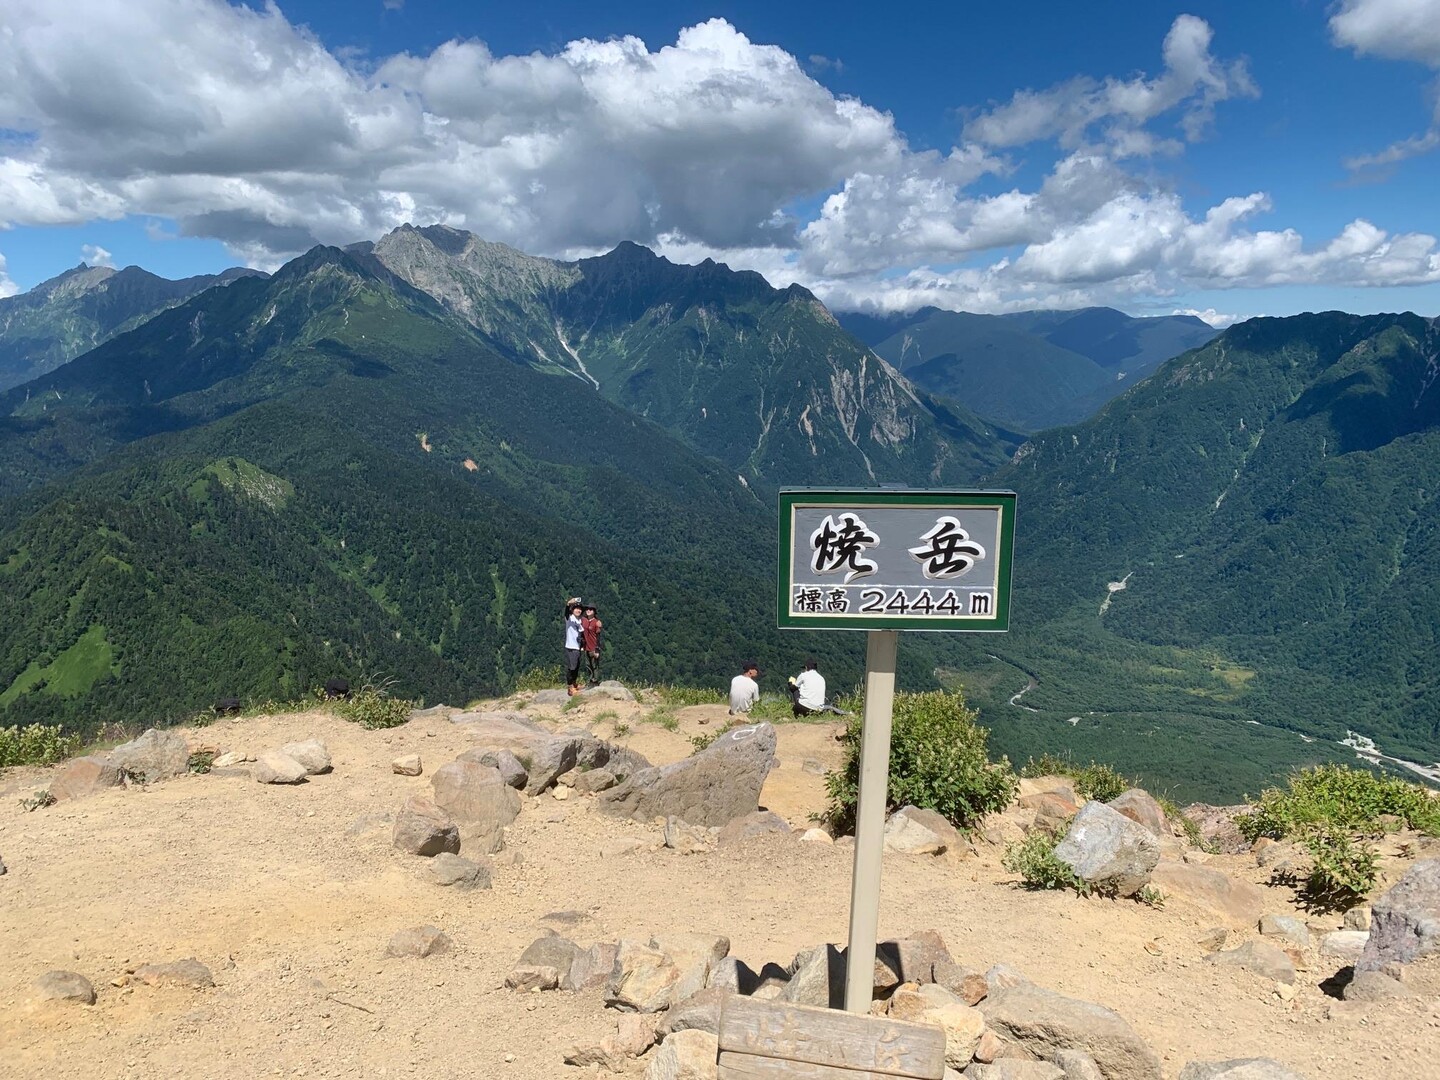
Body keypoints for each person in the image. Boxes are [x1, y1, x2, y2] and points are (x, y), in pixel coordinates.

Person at [563, 597, 584, 696]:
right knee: (572, 668)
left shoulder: (580, 620)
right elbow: (566, 613)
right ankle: (570, 687)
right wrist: (568, 604)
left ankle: (574, 683)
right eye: (576, 609)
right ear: (572, 610)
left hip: (577, 647)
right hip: (571, 647)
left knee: (576, 667)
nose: (578, 610)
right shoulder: (569, 618)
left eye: (580, 609)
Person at [581, 604, 603, 686]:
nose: (588, 610)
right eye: (587, 609)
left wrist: (597, 649)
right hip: (586, 647)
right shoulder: (584, 620)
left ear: (594, 612)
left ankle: (595, 681)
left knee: (594, 665)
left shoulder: (596, 622)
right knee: (588, 665)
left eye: (590, 609)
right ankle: (590, 680)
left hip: (594, 647)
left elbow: (598, 636)